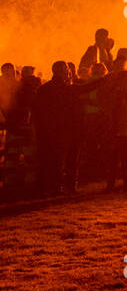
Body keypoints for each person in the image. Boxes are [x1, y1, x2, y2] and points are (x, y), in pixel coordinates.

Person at [33, 60, 76, 196]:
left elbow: (36, 111)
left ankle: (41, 188)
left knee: (45, 159)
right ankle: (56, 187)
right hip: (59, 129)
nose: (68, 72)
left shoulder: (43, 89)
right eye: (66, 69)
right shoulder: (64, 88)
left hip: (44, 130)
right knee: (57, 159)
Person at [107, 68, 127, 191]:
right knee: (116, 158)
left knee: (124, 157)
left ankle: (125, 183)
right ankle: (114, 184)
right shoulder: (117, 93)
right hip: (119, 128)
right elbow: (115, 111)